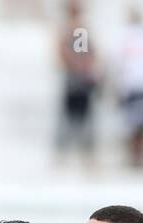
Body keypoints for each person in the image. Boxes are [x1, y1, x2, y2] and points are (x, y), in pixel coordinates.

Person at [116, 7, 143, 168]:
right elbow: (118, 62)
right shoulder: (123, 36)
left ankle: (142, 157)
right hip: (130, 85)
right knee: (130, 124)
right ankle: (133, 157)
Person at [55, 0, 97, 165]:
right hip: (74, 76)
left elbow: (86, 52)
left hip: (78, 77)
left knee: (80, 114)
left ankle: (84, 152)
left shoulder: (77, 29)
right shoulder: (73, 28)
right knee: (71, 114)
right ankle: (67, 151)